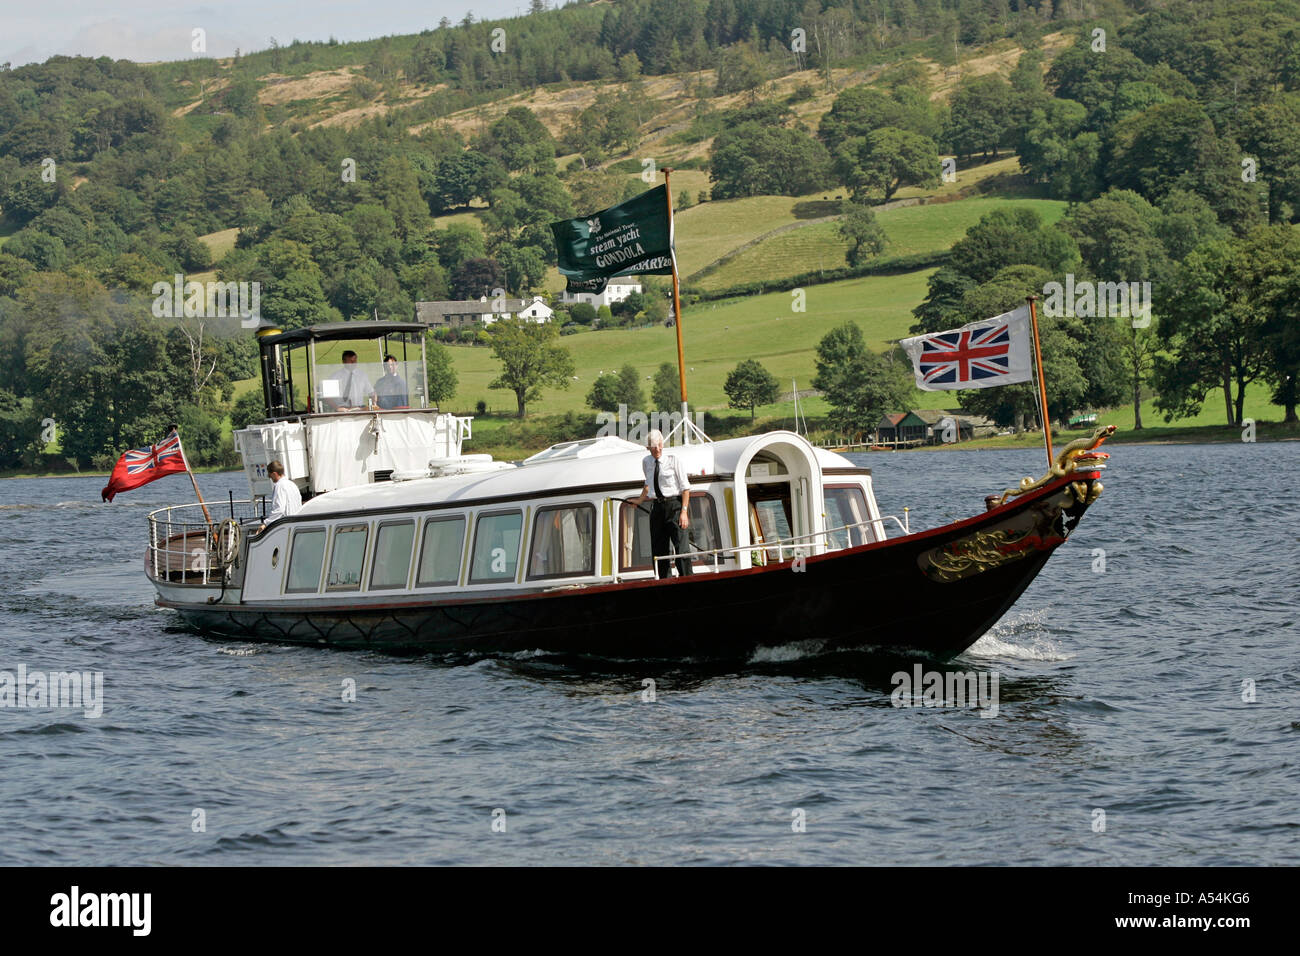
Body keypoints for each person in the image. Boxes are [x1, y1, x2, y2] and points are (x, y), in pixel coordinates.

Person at [630, 429, 692, 579]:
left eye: (659, 445)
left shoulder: (673, 459)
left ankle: (687, 579)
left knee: (681, 546)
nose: (657, 449)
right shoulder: (646, 462)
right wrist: (639, 500)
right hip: (657, 507)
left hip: (674, 505)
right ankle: (664, 580)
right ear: (647, 448)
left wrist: (684, 512)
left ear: (662, 444)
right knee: (658, 548)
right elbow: (648, 484)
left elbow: (685, 488)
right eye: (653, 446)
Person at [259, 460, 302, 532]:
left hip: (287, 526)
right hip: (297, 525)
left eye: (269, 475)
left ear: (274, 474)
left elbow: (279, 509)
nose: (270, 477)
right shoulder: (292, 485)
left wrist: (265, 524)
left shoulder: (279, 486)